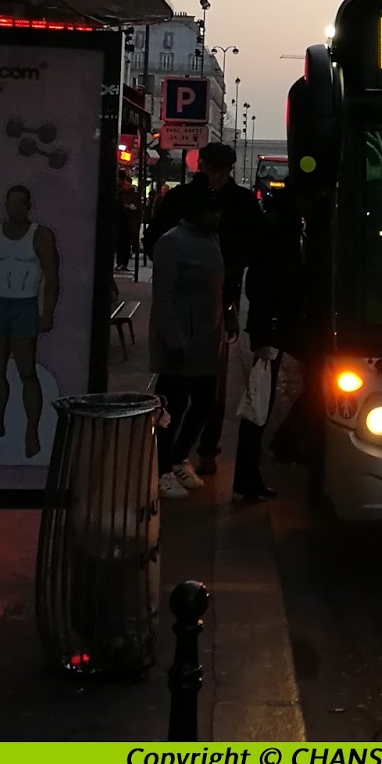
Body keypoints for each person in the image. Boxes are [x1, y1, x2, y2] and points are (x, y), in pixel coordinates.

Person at [143, 143, 263, 475]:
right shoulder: (184, 203)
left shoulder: (238, 203)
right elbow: (156, 243)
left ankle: (198, 448)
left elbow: (254, 243)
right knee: (177, 387)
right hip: (186, 301)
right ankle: (166, 455)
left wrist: (230, 285)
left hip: (218, 298)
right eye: (212, 169)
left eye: (221, 170)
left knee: (208, 387)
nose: (216, 176)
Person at [0, 185, 60, 458]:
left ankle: (31, 431)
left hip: (24, 305)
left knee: (27, 372)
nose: (14, 208)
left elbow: (52, 279)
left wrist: (47, 312)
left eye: (20, 203)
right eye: (10, 203)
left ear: (28, 206)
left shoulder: (40, 235)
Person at [151, 181, 226, 498]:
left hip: (208, 339)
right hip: (181, 339)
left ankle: (178, 457)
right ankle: (161, 469)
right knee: (172, 407)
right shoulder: (172, 243)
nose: (217, 216)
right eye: (212, 211)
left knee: (205, 403)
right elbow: (163, 295)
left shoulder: (211, 238)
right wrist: (174, 339)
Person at [235, 186, 310, 501]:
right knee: (259, 401)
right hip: (276, 328)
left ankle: (261, 465)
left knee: (262, 398)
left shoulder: (282, 226)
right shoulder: (282, 232)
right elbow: (263, 283)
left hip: (278, 326)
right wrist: (267, 333)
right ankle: (249, 474)